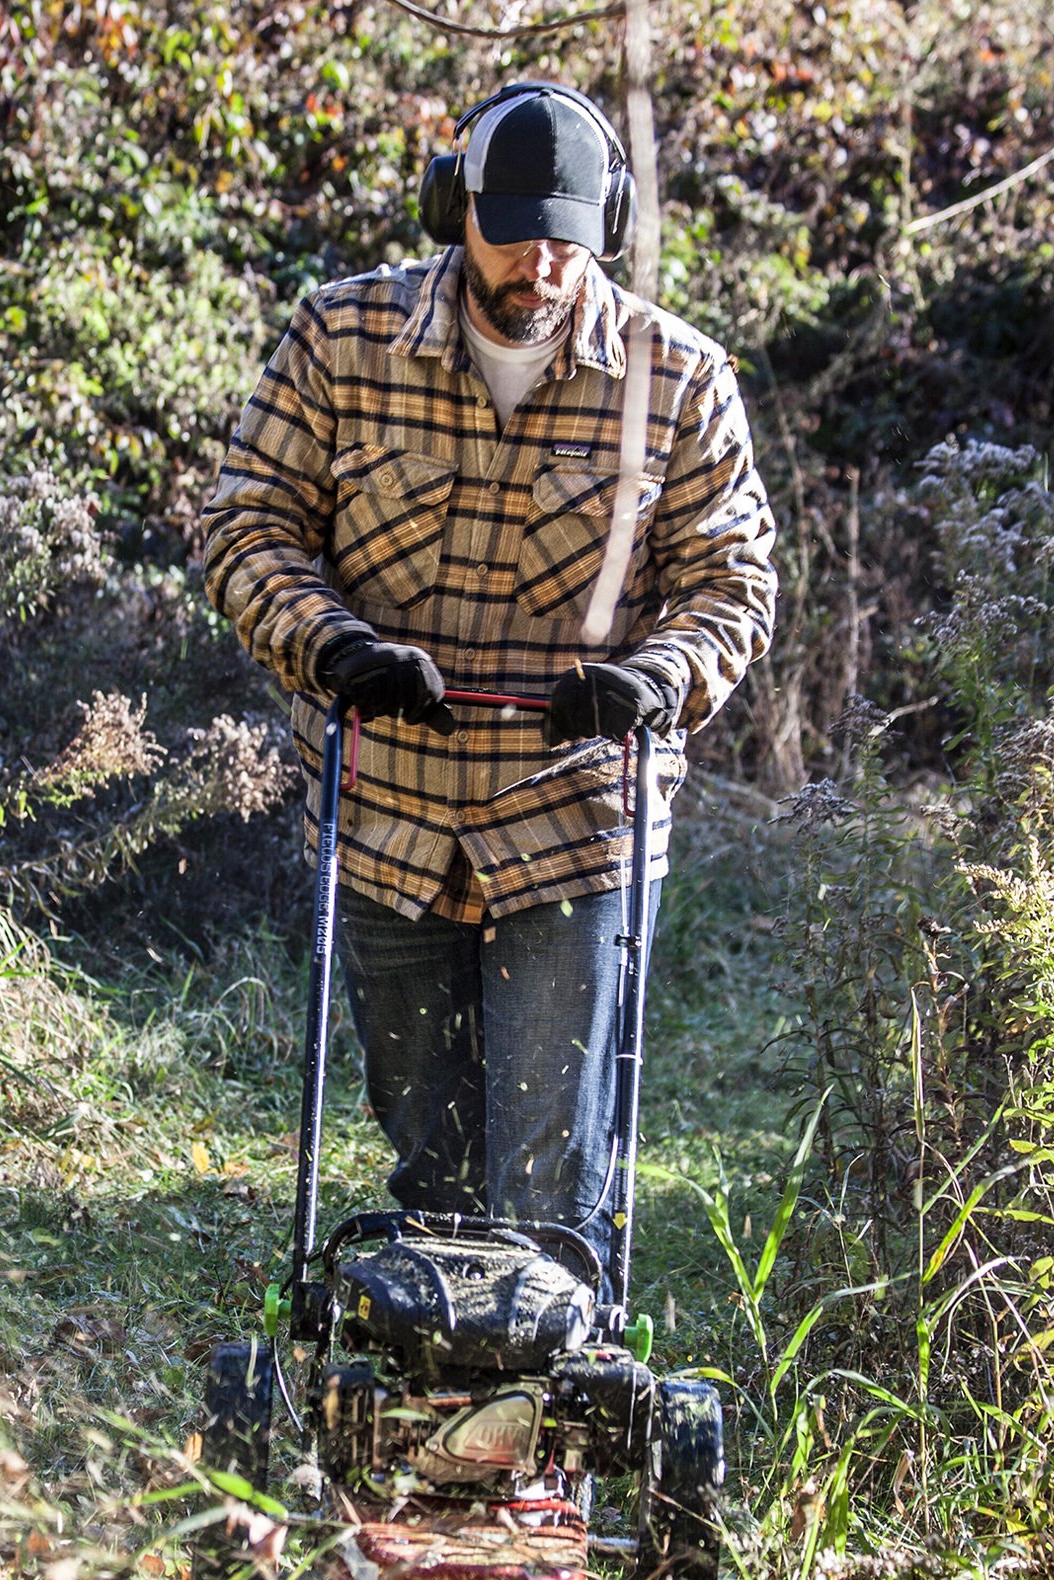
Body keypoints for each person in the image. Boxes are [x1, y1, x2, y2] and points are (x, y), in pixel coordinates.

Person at [199, 81, 777, 1286]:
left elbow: (734, 585)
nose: (540, 263)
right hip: (387, 821)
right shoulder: (339, 339)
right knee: (431, 1164)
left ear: (605, 224)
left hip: (575, 827)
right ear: (449, 206)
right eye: (512, 231)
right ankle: (423, 1440)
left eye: (566, 235)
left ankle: (535, 1452)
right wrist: (331, 645)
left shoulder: (676, 381)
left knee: (547, 1188)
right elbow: (246, 528)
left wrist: (653, 677)